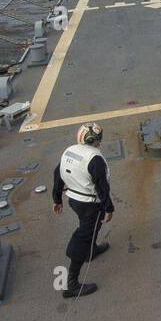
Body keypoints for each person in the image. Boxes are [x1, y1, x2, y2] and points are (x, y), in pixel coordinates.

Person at [51, 122, 113, 299]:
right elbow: (102, 187)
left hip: (74, 201)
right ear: (97, 141)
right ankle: (72, 284)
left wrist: (57, 199)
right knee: (83, 235)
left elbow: (58, 174)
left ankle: (91, 250)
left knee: (91, 228)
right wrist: (109, 208)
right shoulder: (95, 159)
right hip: (90, 204)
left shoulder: (69, 151)